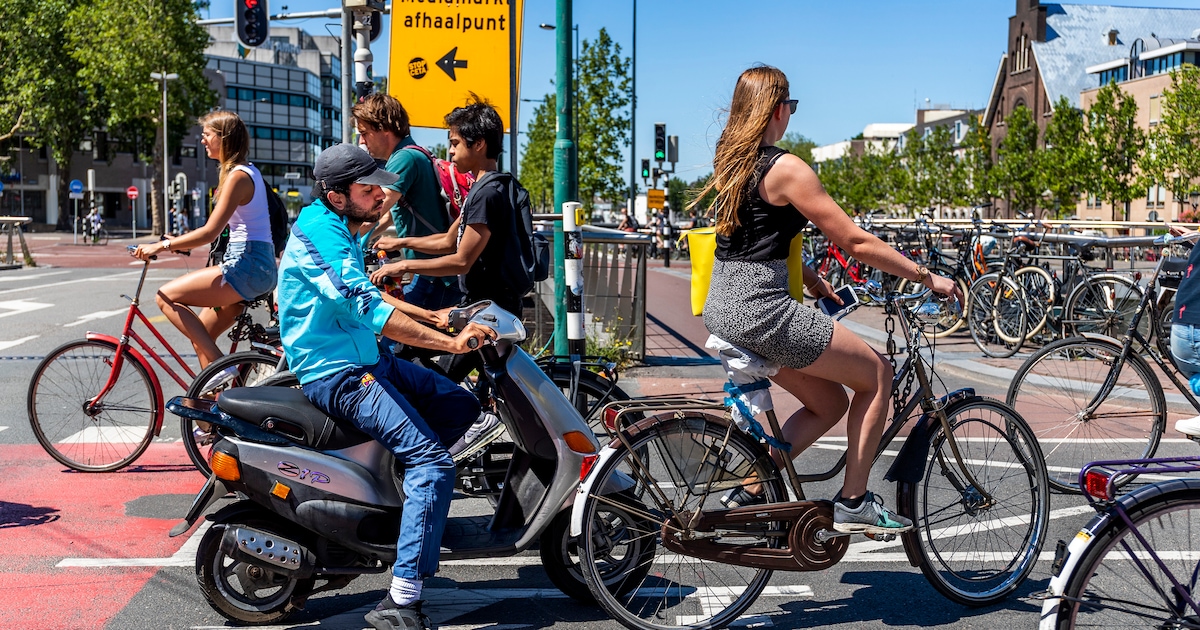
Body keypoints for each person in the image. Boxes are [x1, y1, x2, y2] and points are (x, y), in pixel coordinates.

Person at [692, 65, 961, 535]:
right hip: (762, 308)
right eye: (791, 106)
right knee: (877, 376)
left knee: (829, 404)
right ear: (778, 109)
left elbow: (756, 237)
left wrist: (813, 279)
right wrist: (925, 275)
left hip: (726, 303)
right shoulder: (786, 168)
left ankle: (751, 488)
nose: (791, 114)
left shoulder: (733, 161)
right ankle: (854, 502)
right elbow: (854, 242)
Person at [277, 142, 492, 630]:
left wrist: (436, 317)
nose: (381, 193)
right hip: (338, 374)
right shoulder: (320, 234)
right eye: (369, 187)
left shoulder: (342, 226)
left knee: (461, 407)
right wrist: (452, 344)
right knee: (433, 461)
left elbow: (373, 296)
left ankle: (408, 511)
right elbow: (369, 309)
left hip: (371, 359)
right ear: (336, 195)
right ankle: (401, 600)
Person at [132, 110, 277, 369]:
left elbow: (210, 232)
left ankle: (221, 366)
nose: (203, 141)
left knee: (165, 296)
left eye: (207, 135)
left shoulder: (238, 176)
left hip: (247, 265)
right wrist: (180, 241)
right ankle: (215, 400)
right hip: (254, 264)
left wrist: (161, 245)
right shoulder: (247, 171)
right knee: (202, 334)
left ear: (225, 138)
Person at [369, 96, 530, 321]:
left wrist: (403, 265)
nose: (450, 152)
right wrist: (401, 242)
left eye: (455, 143)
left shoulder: (486, 194)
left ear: (479, 144)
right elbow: (448, 241)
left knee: (405, 345)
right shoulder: (494, 186)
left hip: (489, 309)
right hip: (489, 304)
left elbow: (461, 261)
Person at [353, 93, 463, 310]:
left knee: (396, 338)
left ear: (384, 128)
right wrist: (367, 237)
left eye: (365, 133)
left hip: (436, 276)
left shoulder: (404, 158)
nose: (362, 142)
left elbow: (373, 211)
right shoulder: (412, 153)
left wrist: (337, 239)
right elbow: (388, 215)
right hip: (433, 272)